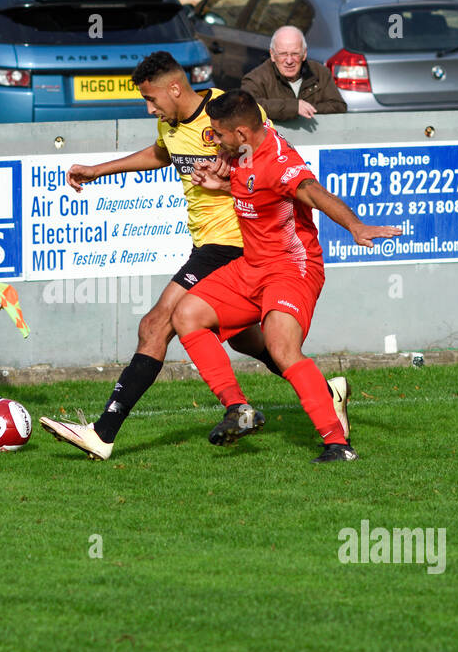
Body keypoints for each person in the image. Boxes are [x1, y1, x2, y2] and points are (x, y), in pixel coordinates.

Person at [39, 51, 344, 461]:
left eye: (152, 100)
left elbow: (264, 150)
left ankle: (103, 433)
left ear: (175, 88)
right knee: (253, 342)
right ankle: (325, 395)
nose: (150, 109)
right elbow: (161, 154)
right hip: (206, 244)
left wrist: (228, 171)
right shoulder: (170, 123)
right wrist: (99, 171)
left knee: (157, 323)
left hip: (234, 242)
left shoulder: (224, 113)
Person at [171, 90, 401, 462]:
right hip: (252, 267)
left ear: (242, 133)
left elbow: (313, 192)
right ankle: (239, 410)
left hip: (292, 269)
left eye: (218, 133)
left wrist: (355, 226)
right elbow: (254, 190)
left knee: (281, 348)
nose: (213, 140)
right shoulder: (242, 151)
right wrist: (222, 186)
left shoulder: (279, 161)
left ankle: (337, 444)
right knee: (186, 314)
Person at [241, 25, 347, 121]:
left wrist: (305, 108)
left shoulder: (320, 73)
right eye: (283, 54)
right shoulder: (256, 79)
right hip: (274, 140)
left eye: (295, 54)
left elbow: (338, 106)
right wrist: (293, 107)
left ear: (304, 54)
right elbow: (247, 107)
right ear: (272, 55)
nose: (289, 61)